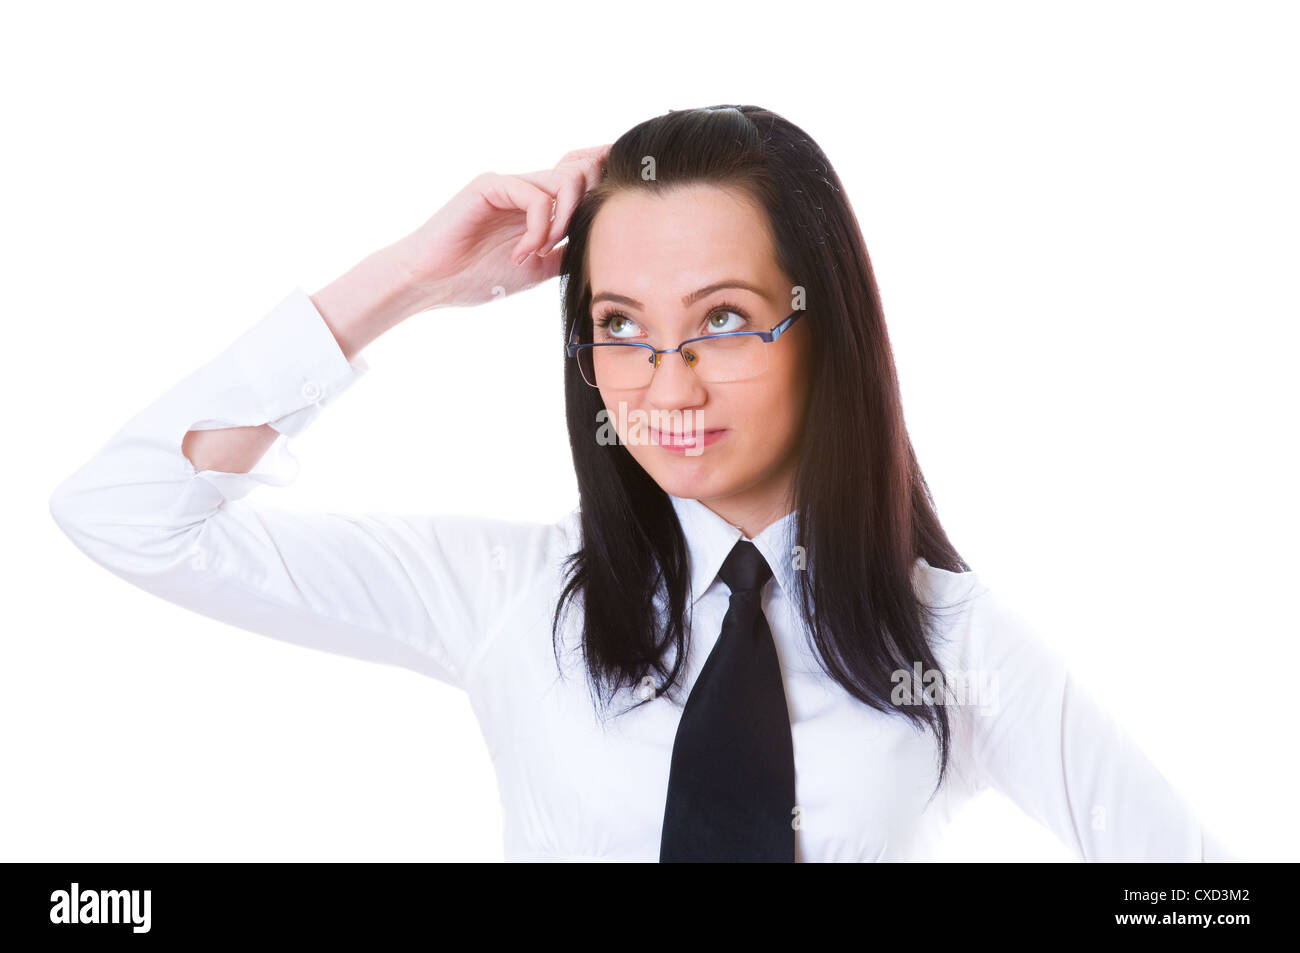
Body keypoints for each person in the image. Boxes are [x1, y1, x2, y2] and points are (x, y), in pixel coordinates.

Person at [48, 104, 1233, 862]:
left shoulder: (948, 643)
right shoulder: (509, 594)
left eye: (723, 318)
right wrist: (406, 285)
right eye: (620, 323)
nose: (665, 380)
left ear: (827, 331)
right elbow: (127, 513)